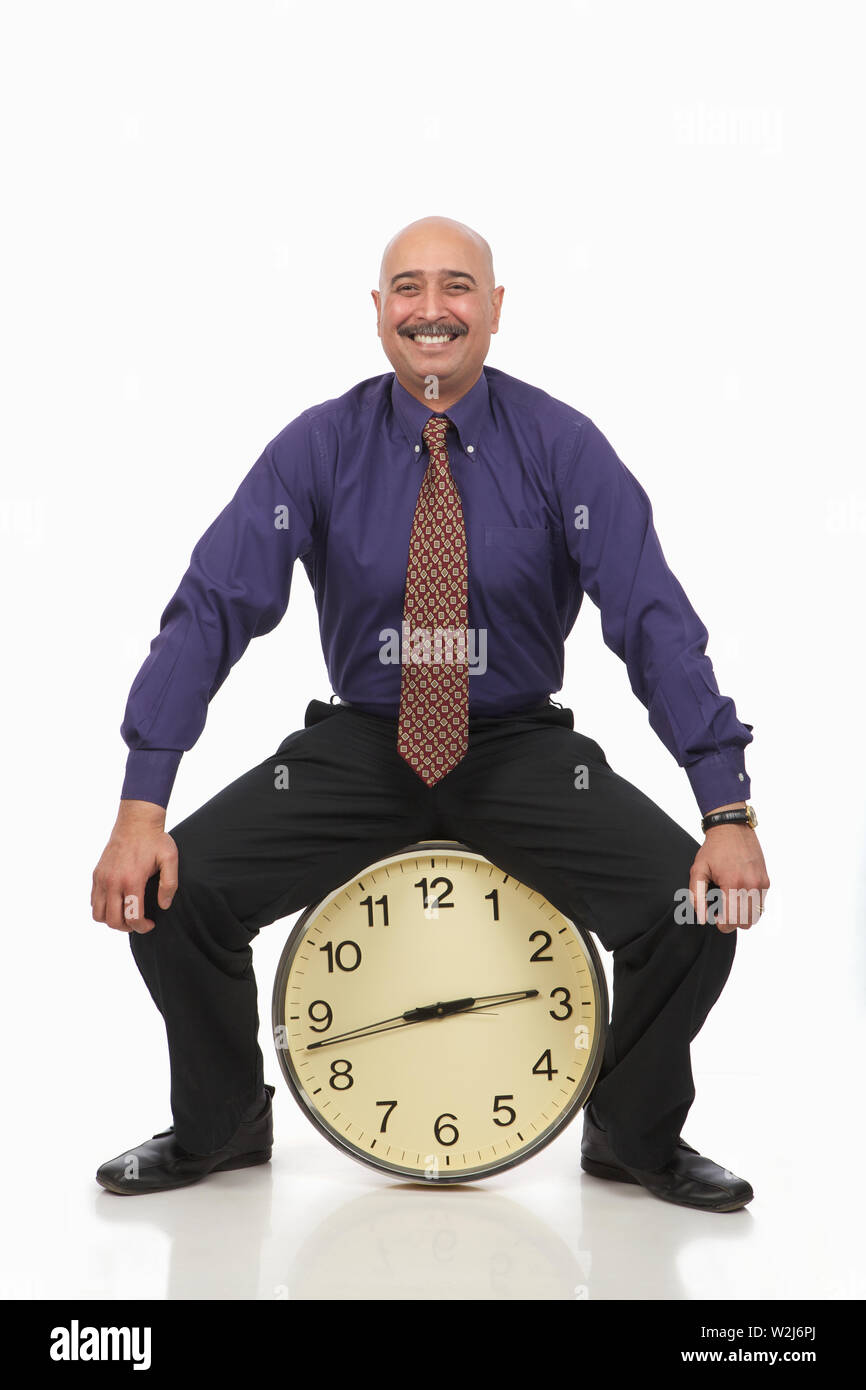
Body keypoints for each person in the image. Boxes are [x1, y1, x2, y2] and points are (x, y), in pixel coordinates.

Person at [91, 215, 769, 1210]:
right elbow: (210, 608)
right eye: (407, 288)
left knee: (691, 908)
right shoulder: (317, 447)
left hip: (517, 748)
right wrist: (142, 802)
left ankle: (630, 1133)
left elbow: (654, 622)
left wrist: (724, 808)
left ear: (494, 310)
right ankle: (220, 1121)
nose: (431, 308)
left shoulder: (563, 449)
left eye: (456, 286)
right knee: (172, 893)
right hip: (363, 746)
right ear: (378, 314)